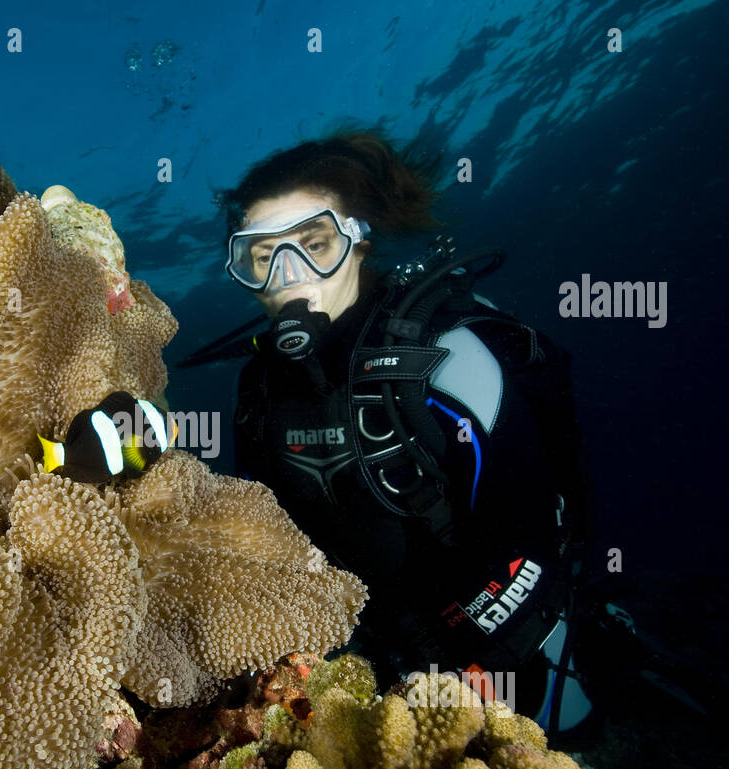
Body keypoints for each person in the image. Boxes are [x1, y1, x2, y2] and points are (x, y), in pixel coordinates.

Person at [205, 129, 595, 735]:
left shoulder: (446, 356)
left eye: (314, 244)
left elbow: (535, 538)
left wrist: (442, 655)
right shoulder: (259, 388)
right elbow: (262, 532)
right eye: (263, 257)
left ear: (358, 243)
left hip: (485, 651)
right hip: (355, 657)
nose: (291, 276)